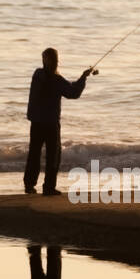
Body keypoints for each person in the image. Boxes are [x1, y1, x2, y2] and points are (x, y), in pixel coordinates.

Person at [23, 47, 92, 195]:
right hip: (50, 123)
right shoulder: (56, 80)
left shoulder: (37, 75)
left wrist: (81, 78)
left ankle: (29, 185)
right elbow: (72, 92)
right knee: (53, 155)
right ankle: (48, 187)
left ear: (43, 60)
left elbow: (67, 88)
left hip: (36, 121)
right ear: (56, 61)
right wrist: (83, 78)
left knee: (34, 153)